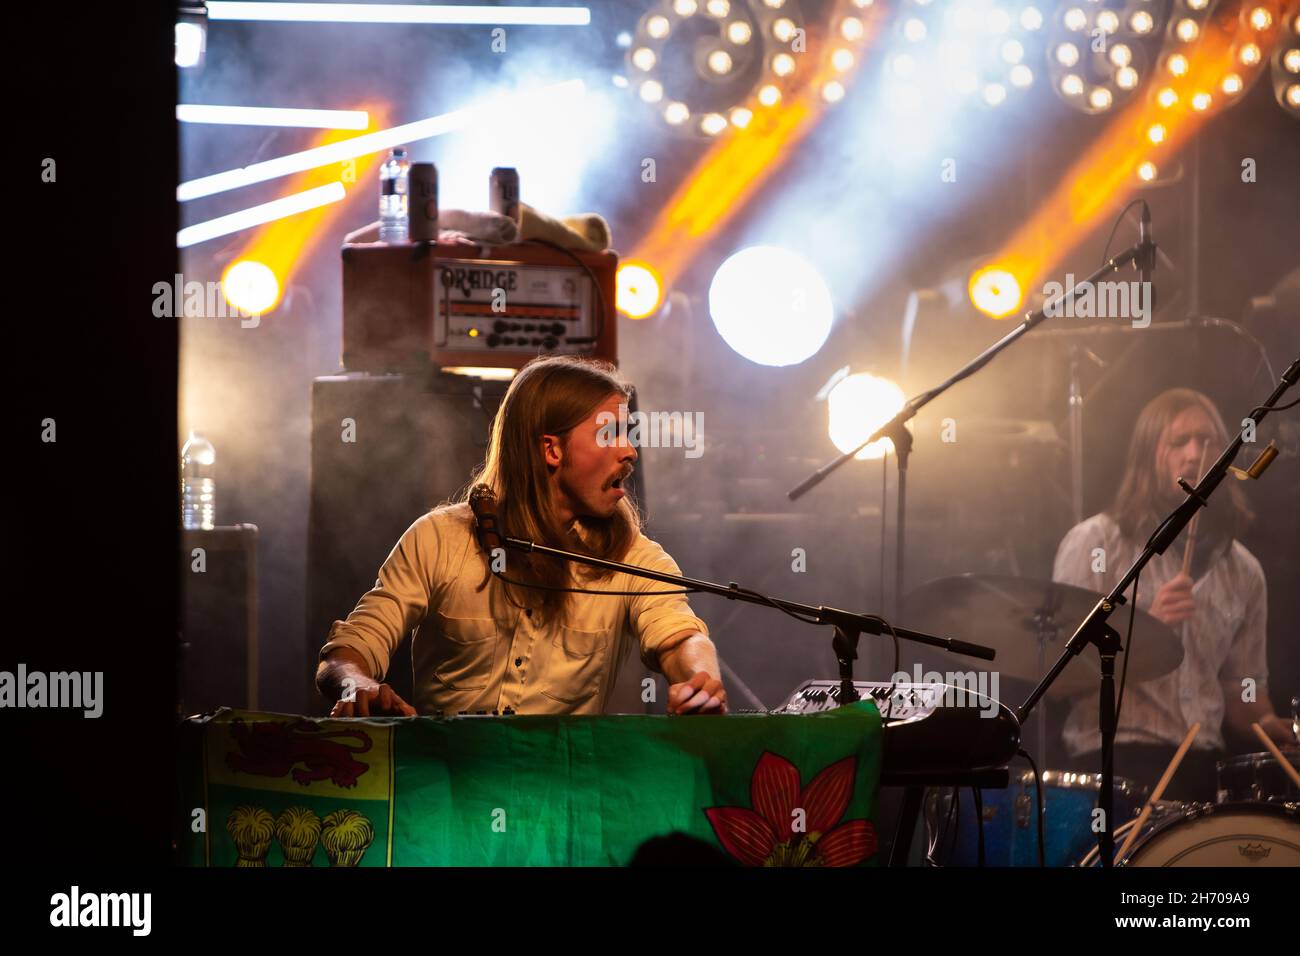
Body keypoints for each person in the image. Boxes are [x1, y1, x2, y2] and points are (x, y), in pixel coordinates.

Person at [315, 355, 727, 718]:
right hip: (448, 788)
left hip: (561, 792)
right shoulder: (437, 538)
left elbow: (681, 638)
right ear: (552, 450)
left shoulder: (633, 556)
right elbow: (348, 651)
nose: (631, 450)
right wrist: (357, 684)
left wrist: (700, 678)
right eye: (610, 433)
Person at [1052, 387, 1294, 801]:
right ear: (1149, 457)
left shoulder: (1245, 571)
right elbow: (1056, 674)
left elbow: (1241, 690)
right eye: (1179, 441)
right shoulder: (1096, 543)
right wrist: (1146, 632)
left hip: (1202, 767)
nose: (1195, 453)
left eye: (1208, 441)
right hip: (1115, 762)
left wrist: (1269, 720)